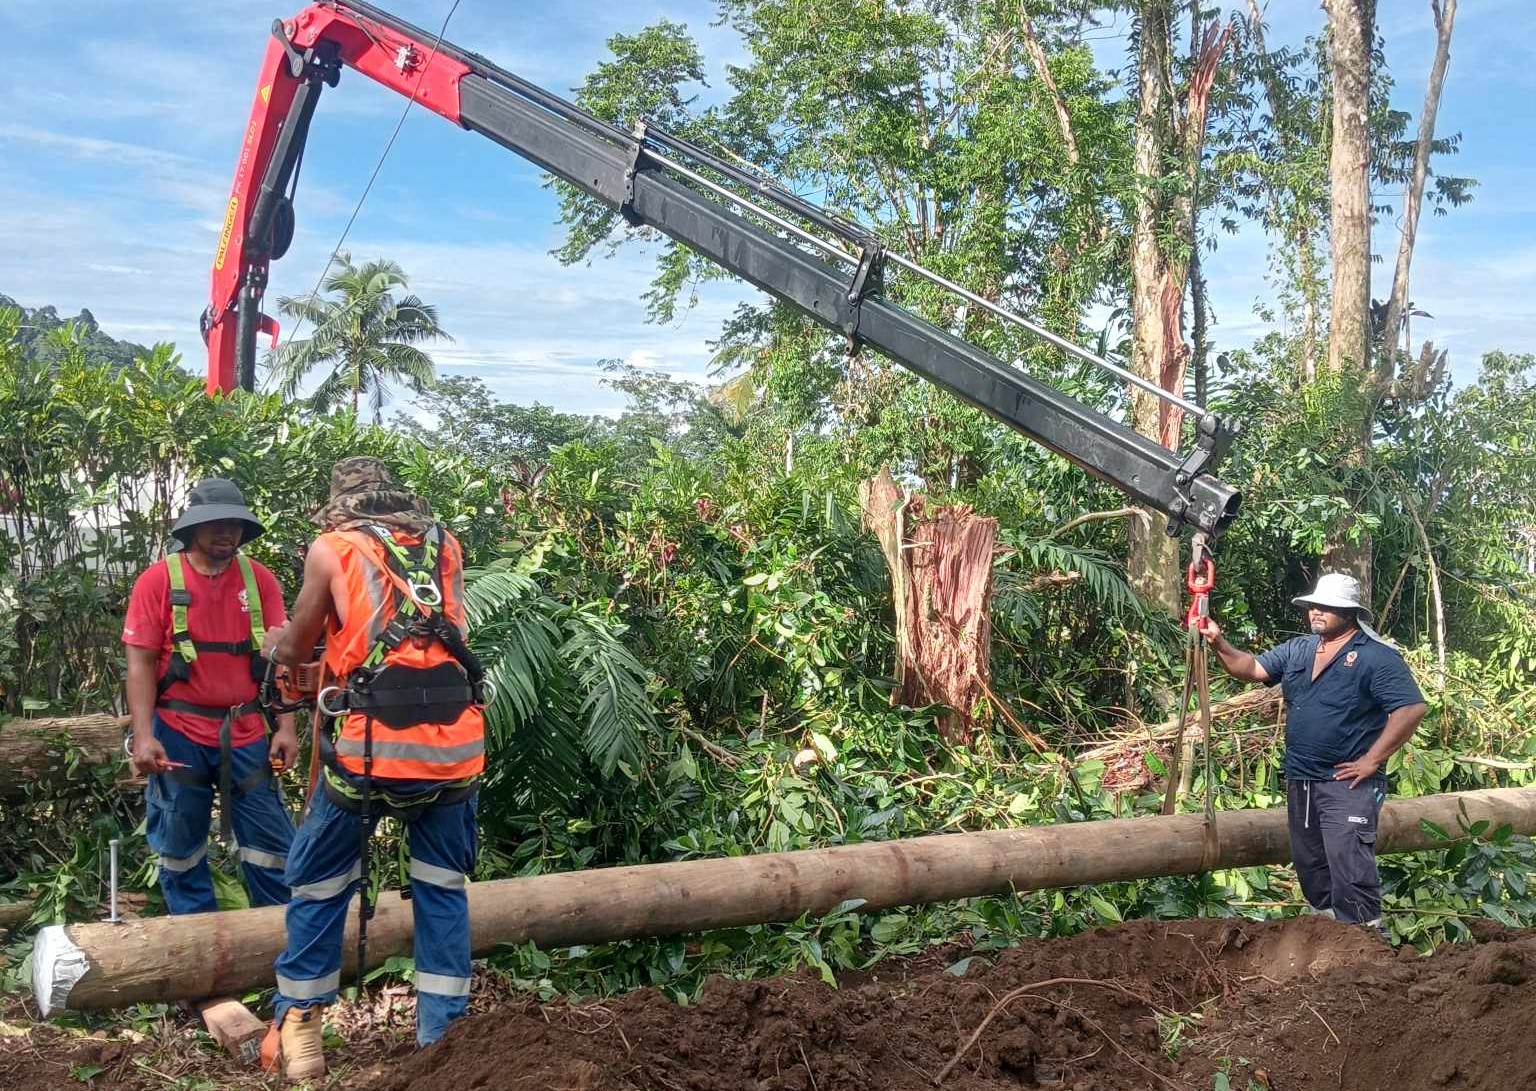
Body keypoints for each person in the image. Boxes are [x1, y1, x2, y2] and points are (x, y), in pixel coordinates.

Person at [261, 457, 485, 1080]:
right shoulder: (445, 545)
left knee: (319, 880)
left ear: (341, 507)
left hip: (372, 752)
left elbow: (298, 644)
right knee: (441, 887)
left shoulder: (331, 549)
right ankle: (443, 1038)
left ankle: (301, 1028)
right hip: (455, 750)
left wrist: (278, 643)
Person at [1200, 572, 1427, 932]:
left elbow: (1411, 708)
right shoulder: (1300, 649)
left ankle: (1366, 940)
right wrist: (1218, 642)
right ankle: (1327, 937)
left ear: (1349, 613)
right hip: (1302, 777)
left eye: (1326, 607)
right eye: (1313, 605)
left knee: (1348, 861)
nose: (1316, 611)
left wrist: (1372, 760)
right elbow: (1252, 668)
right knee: (1310, 863)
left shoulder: (1376, 656)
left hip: (1347, 782)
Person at [122, 478, 298, 914]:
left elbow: (282, 659)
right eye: (216, 523)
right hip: (178, 732)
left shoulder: (259, 580)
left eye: (235, 524)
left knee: (272, 846)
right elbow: (140, 664)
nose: (227, 532)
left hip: (247, 731)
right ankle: (196, 938)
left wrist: (287, 728)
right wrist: (143, 736)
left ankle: (280, 935)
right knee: (179, 846)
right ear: (193, 528)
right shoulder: (158, 581)